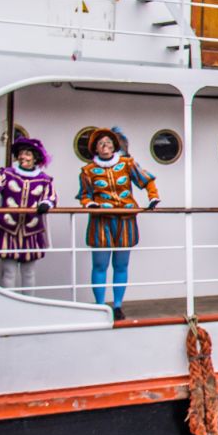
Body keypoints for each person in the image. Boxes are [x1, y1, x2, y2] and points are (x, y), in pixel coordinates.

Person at [76, 127, 160, 320]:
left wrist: (153, 198)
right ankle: (99, 306)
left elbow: (147, 180)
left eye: (108, 142)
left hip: (125, 220)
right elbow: (84, 195)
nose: (105, 146)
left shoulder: (126, 163)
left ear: (114, 146)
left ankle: (118, 306)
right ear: (95, 148)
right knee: (99, 264)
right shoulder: (88, 171)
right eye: (100, 143)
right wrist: (89, 203)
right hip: (101, 221)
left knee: (121, 264)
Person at [0, 137, 57, 292]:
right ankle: (9, 308)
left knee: (29, 272)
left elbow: (51, 197)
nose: (23, 157)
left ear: (36, 158)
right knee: (8, 272)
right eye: (21, 153)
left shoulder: (44, 180)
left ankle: (29, 305)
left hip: (31, 232)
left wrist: (46, 204)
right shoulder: (7, 174)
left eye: (27, 154)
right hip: (8, 229)